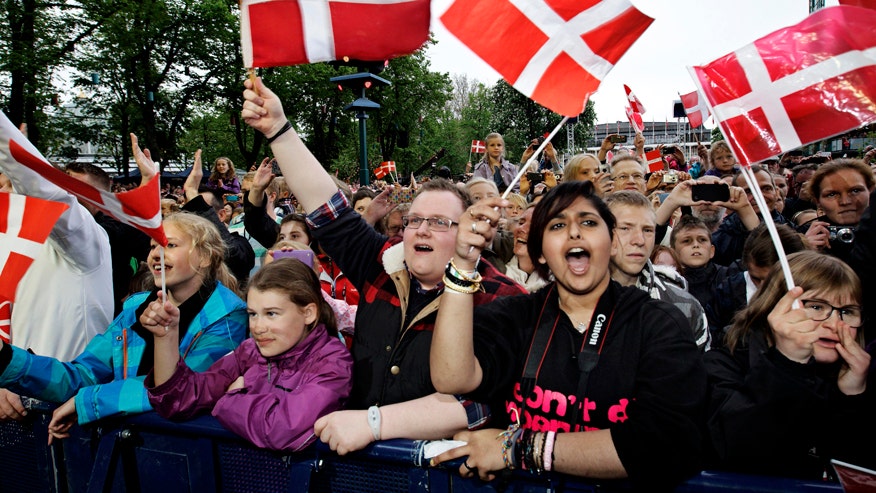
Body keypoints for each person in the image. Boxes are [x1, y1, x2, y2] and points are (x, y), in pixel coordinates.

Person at [241, 77, 525, 456]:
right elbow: (329, 209)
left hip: (437, 475)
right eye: (414, 220)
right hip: (358, 464)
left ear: (470, 233)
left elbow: (483, 403)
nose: (421, 228)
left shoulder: (503, 297)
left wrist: (373, 423)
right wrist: (278, 130)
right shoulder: (383, 264)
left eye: (440, 222)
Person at [430, 181, 707, 488]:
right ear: (542, 254)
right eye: (558, 225)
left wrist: (520, 448)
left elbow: (663, 445)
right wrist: (463, 264)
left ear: (612, 243)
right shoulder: (516, 316)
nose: (575, 232)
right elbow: (451, 378)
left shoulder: (660, 325)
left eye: (588, 222)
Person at [0, 213, 248, 439]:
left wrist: (87, 402)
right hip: (124, 448)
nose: (156, 254)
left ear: (204, 257)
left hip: (187, 452)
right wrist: (7, 359)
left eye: (169, 245)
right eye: (152, 246)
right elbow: (82, 375)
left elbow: (184, 389)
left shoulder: (228, 315)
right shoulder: (134, 308)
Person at [145, 258, 352, 452]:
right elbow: (179, 400)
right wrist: (166, 337)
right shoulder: (249, 350)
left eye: (271, 314)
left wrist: (230, 398)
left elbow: (281, 429)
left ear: (308, 313)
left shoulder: (333, 362)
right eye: (253, 314)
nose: (258, 327)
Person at [705, 251, 875, 478]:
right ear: (774, 308)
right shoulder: (721, 366)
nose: (835, 324)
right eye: (815, 307)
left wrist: (852, 397)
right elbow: (737, 454)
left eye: (846, 312)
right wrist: (787, 364)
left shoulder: (857, 380)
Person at [0, 131, 113, 421]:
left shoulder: (88, 244)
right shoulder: (9, 244)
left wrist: (7, 141)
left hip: (64, 413)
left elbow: (47, 196)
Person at [605, 191, 710, 350]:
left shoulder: (684, 306)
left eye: (647, 230)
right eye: (625, 228)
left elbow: (700, 369)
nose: (639, 240)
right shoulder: (570, 300)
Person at [799, 158, 874, 262]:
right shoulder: (802, 235)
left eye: (855, 190)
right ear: (817, 201)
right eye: (832, 194)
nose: (845, 201)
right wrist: (803, 252)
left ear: (870, 191)